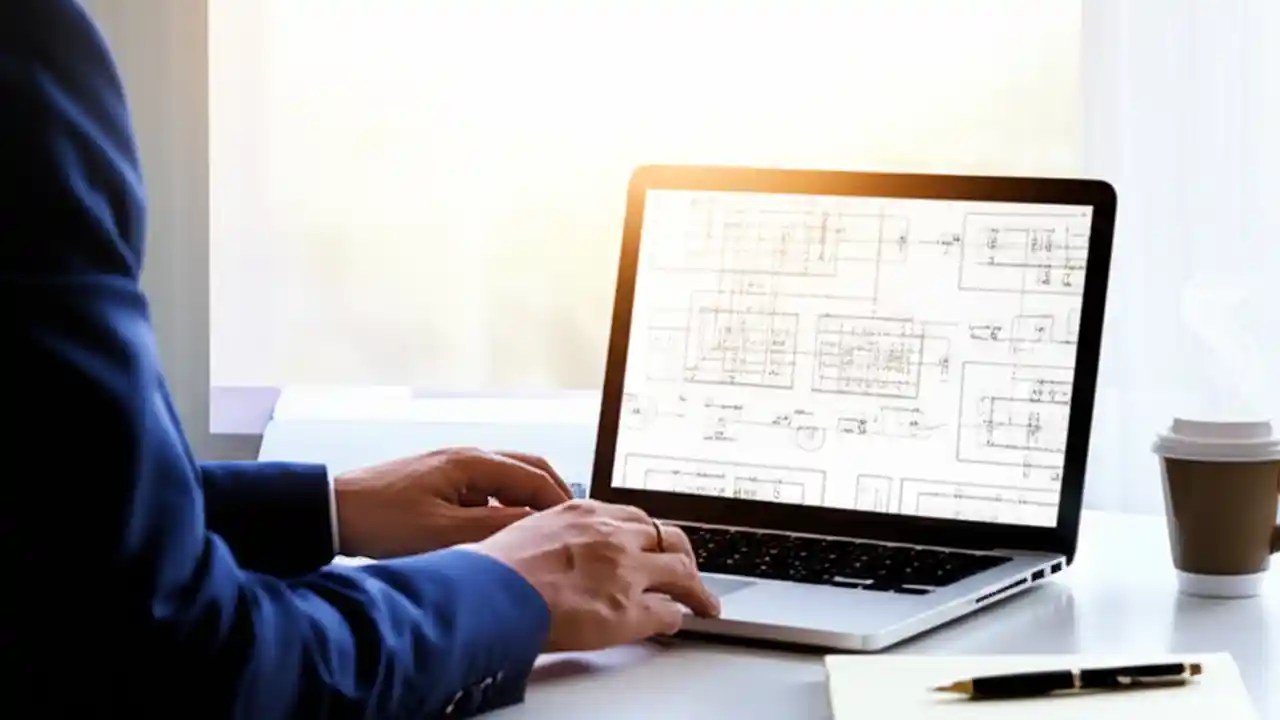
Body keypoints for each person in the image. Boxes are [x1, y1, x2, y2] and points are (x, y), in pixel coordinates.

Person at [1, 1, 719, 717]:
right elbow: (182, 663)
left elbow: (47, 519)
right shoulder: (24, 46)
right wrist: (507, 589)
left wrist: (325, 510)